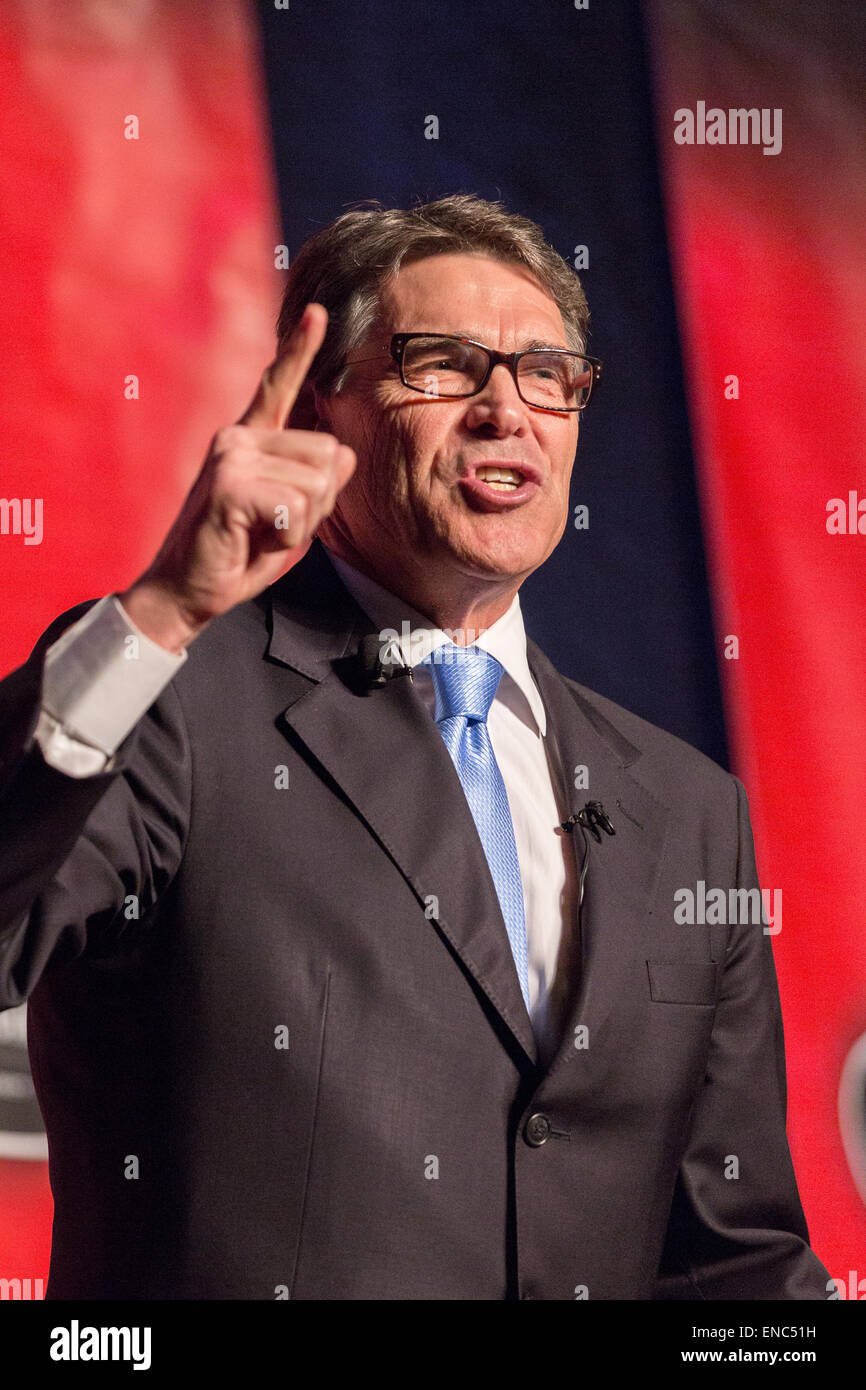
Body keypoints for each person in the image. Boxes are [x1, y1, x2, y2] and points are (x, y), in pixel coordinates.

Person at [0, 195, 830, 1300]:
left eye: (548, 373)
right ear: (317, 410)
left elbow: (734, 1260)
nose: (506, 409)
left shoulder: (683, 807)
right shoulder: (171, 698)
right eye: (443, 365)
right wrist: (159, 615)